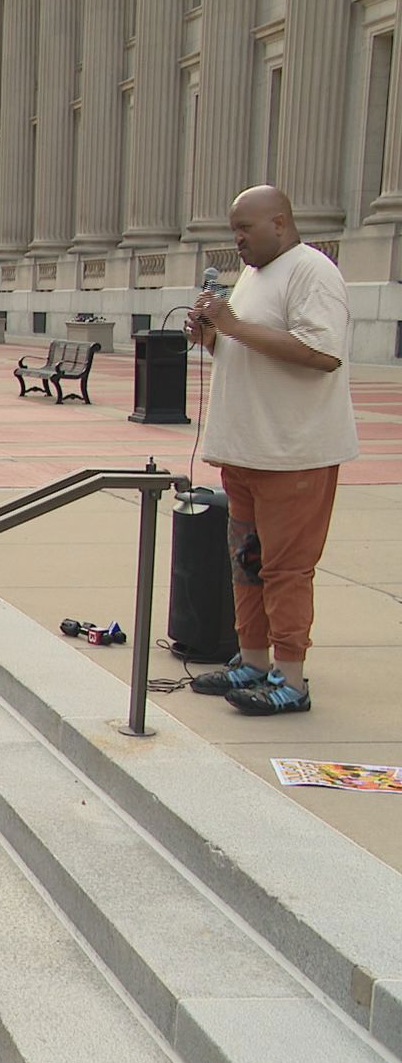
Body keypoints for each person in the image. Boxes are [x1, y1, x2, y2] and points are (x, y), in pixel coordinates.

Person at [185, 184, 358, 716]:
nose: (237, 239)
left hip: (293, 453)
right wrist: (212, 336)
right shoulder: (257, 275)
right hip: (247, 451)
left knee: (285, 569)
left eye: (246, 228)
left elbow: (322, 353)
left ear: (280, 222)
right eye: (233, 228)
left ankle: (291, 679)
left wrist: (234, 324)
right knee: (247, 562)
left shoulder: (313, 272)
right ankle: (254, 661)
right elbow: (248, 345)